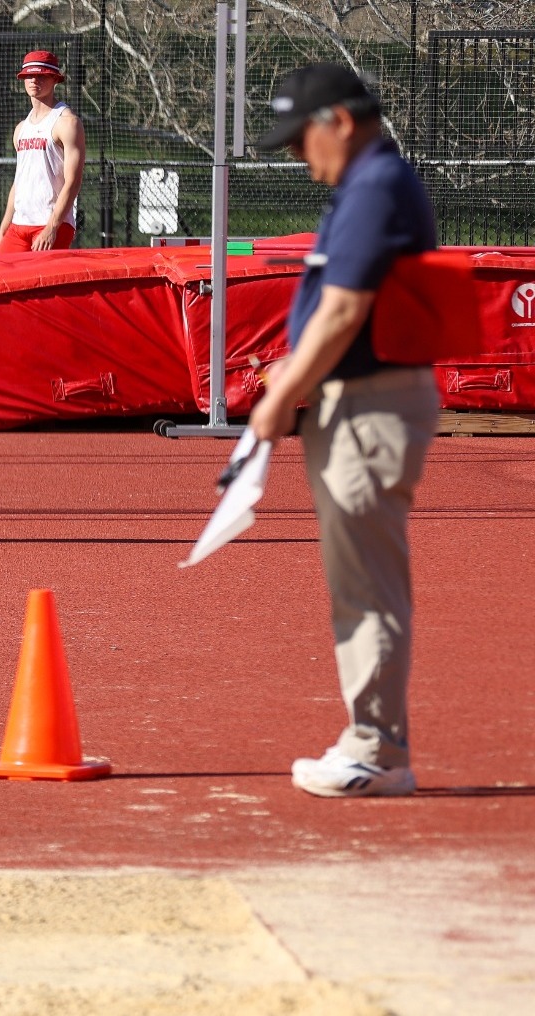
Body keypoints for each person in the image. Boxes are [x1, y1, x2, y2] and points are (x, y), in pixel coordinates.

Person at [246, 64, 439, 798]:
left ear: (342, 122)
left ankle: (377, 750)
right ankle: (373, 742)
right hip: (360, 401)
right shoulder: (367, 184)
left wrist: (281, 396)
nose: (301, 157)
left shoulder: (376, 186)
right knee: (361, 581)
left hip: (369, 404)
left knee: (367, 584)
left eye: (303, 140)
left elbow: (343, 310)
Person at [0, 50, 84, 256]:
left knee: (42, 277)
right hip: (19, 225)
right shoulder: (21, 129)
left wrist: (52, 228)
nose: (34, 80)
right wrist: (2, 232)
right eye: (29, 75)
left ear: (55, 79)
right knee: (0, 272)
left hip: (51, 224)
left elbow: (73, 182)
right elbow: (19, 183)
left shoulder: (67, 122)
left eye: (41, 75)